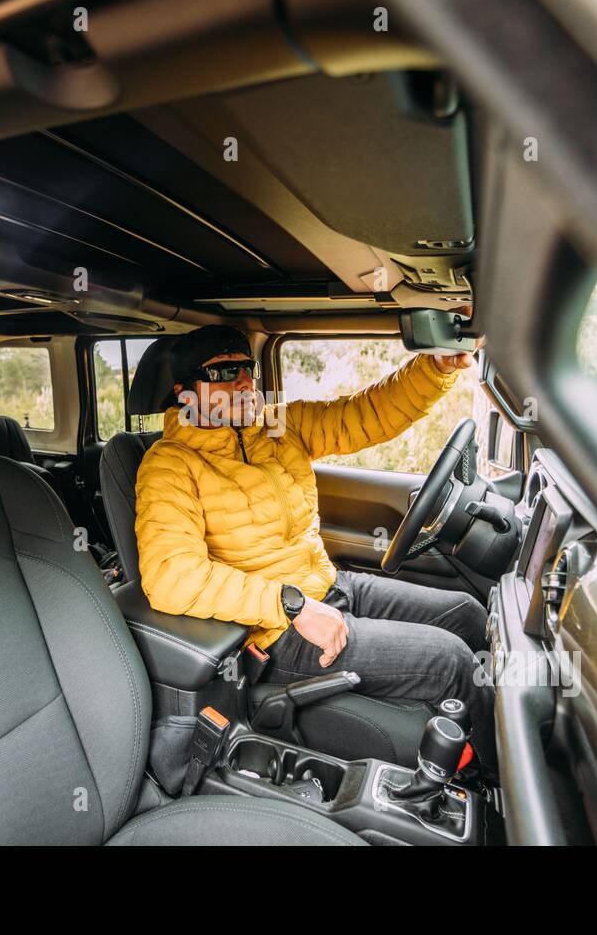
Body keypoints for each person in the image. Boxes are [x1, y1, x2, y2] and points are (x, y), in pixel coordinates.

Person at [134, 325, 495, 779]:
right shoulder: (169, 464)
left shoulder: (277, 426)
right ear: (184, 394)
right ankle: (502, 783)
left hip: (329, 585)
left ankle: (500, 719)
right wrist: (289, 604)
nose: (244, 381)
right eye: (224, 372)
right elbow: (173, 577)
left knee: (467, 613)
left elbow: (365, 414)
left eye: (246, 368)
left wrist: (434, 367)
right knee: (453, 660)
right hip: (275, 631)